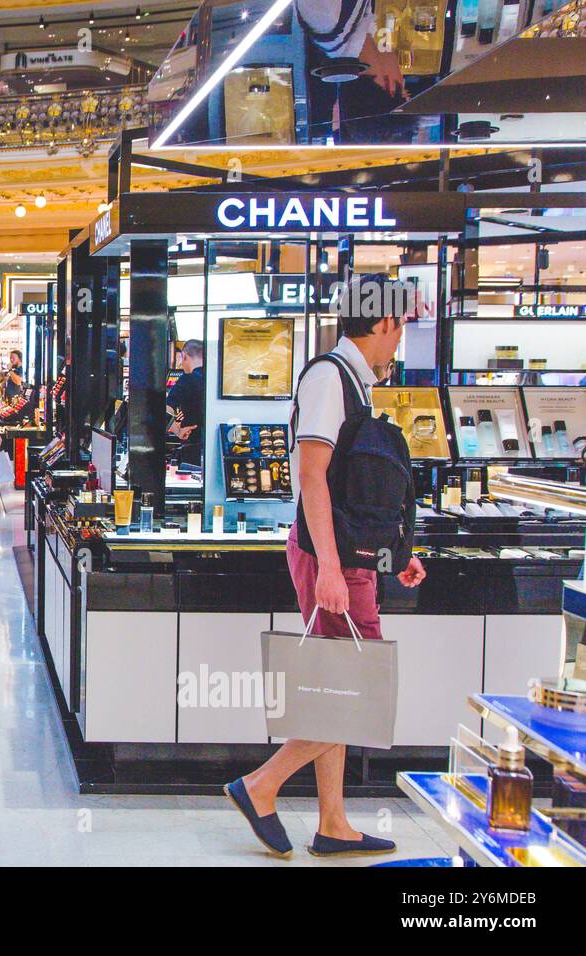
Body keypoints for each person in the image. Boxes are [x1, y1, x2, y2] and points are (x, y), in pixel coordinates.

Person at [227, 274, 427, 860]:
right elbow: (311, 477)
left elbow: (349, 491)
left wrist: (396, 553)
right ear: (384, 323)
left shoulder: (353, 383)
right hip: (328, 560)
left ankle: (334, 822)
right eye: (401, 328)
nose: (399, 343)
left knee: (339, 681)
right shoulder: (329, 379)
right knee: (357, 688)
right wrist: (333, 570)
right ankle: (260, 786)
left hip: (343, 558)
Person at [166, 338, 206, 466]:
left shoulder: (187, 380)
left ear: (184, 356)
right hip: (218, 448)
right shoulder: (217, 377)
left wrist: (176, 430)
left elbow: (165, 410)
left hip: (193, 452)